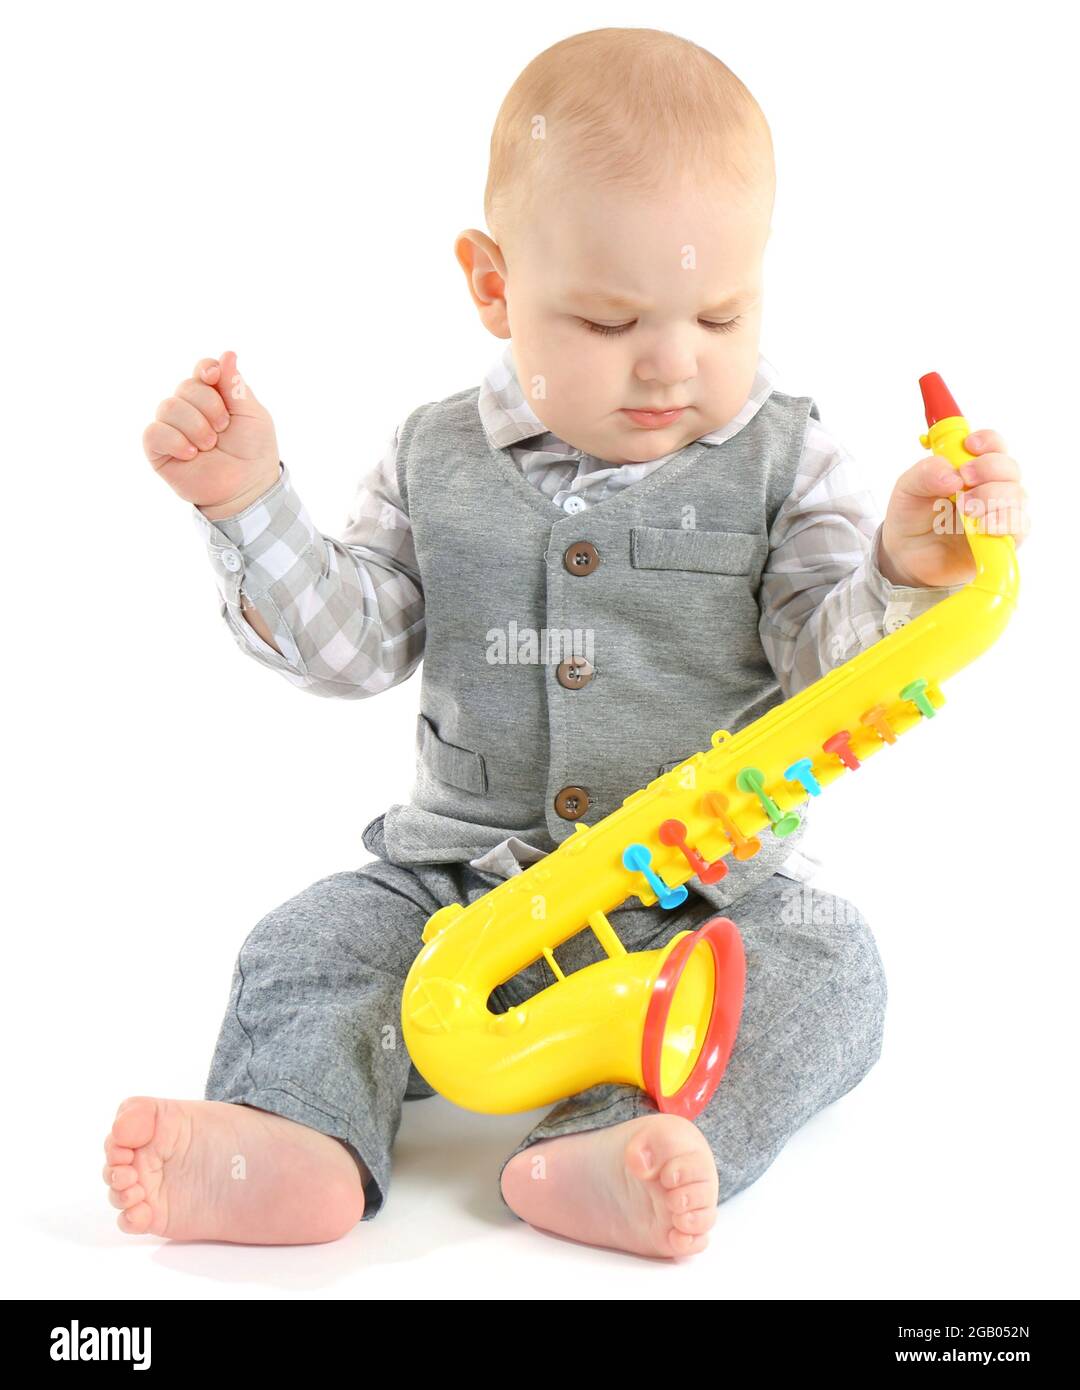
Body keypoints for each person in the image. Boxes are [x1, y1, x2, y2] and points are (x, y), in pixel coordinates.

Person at [104, 27, 1026, 1258]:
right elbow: (352, 647)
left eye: (720, 312)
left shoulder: (791, 459)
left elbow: (827, 662)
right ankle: (297, 1133)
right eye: (605, 321)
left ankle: (610, 1136)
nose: (670, 364)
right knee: (308, 942)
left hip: (694, 910)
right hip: (454, 890)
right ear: (492, 285)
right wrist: (250, 504)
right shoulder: (432, 453)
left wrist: (911, 565)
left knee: (833, 973)